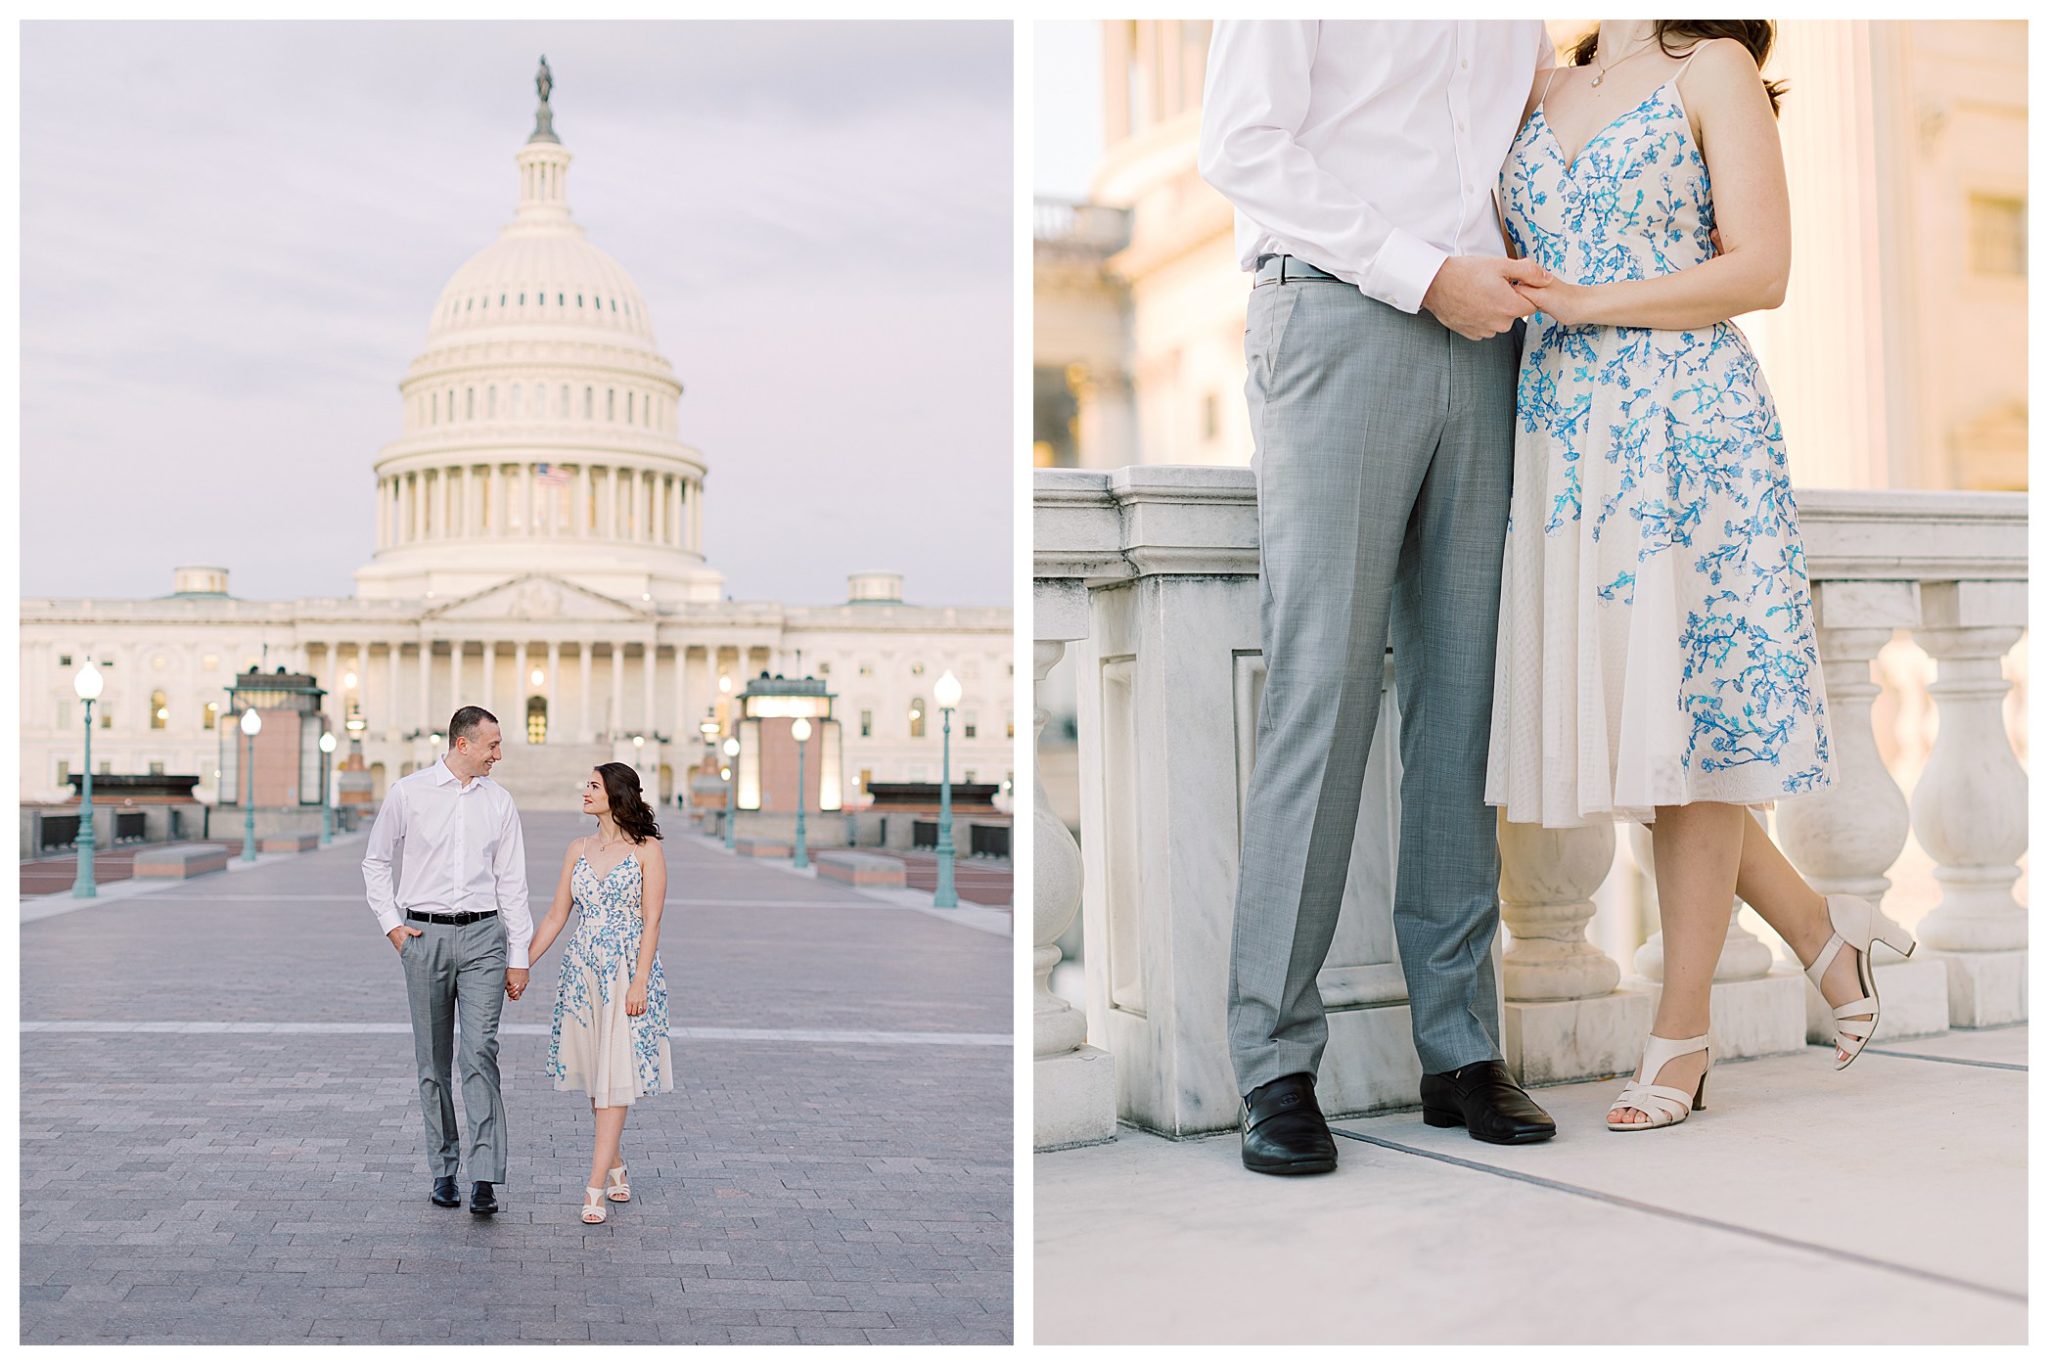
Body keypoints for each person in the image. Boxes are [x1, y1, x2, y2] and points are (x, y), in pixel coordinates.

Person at [1486, 20, 1915, 1131]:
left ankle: (1680, 1034)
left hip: (1684, 417)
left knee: (1687, 725)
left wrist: (1584, 301)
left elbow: (1760, 269)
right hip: (1561, 431)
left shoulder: (1710, 70)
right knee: (1640, 726)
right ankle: (1824, 931)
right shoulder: (1524, 75)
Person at [1198, 20, 1562, 1176]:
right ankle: (1271, 1060)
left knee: (1463, 706)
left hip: (1490, 340)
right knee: (1323, 688)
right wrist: (1423, 273)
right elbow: (1240, 142)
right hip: (1339, 312)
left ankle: (1458, 1050)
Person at [362, 706, 533, 1214]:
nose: (498, 755)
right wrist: (391, 924)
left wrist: (518, 954)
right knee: (433, 1062)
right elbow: (375, 859)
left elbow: (512, 884)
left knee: (479, 1052)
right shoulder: (408, 793)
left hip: (483, 936)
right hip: (425, 935)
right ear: (463, 744)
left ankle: (484, 1175)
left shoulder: (499, 802)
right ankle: (444, 1168)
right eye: (492, 745)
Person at [528, 762, 673, 1223]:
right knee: (596, 1080)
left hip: (626, 969)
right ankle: (614, 1164)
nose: (584, 791)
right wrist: (521, 964)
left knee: (613, 1081)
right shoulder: (578, 848)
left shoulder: (648, 850)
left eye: (592, 785)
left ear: (615, 793)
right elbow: (555, 915)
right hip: (583, 971)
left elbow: (652, 920)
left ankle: (593, 1187)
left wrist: (640, 979)